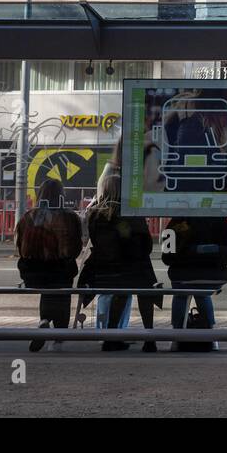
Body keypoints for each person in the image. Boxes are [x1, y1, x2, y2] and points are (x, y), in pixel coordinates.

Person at [78, 146, 161, 351]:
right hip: (130, 270)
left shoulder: (95, 215)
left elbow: (93, 241)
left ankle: (111, 337)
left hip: (104, 271)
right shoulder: (132, 214)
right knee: (144, 288)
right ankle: (149, 338)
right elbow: (146, 245)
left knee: (121, 291)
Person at [15, 177, 83, 352]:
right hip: (61, 272)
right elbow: (76, 248)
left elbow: (20, 246)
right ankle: (59, 338)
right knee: (62, 292)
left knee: (47, 291)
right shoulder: (69, 217)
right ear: (61, 195)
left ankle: (44, 320)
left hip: (33, 274)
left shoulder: (28, 217)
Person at [161, 215, 227, 351]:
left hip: (182, 275)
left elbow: (166, 257)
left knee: (181, 294)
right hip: (214, 276)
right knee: (202, 294)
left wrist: (187, 254)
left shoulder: (177, 221)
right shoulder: (219, 220)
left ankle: (176, 334)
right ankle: (210, 332)